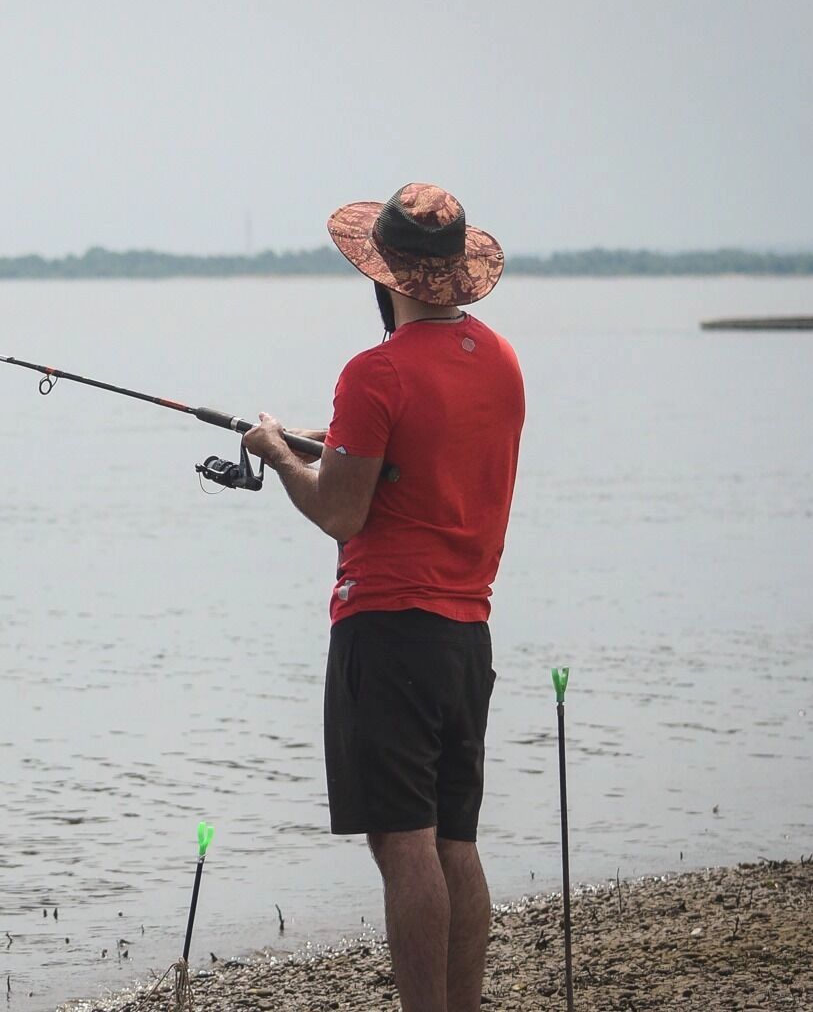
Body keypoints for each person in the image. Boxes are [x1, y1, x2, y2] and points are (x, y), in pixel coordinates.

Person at [243, 184, 524, 1012]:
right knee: (455, 840)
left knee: (403, 843)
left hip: (389, 628)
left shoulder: (376, 371)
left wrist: (277, 452)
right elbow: (421, 459)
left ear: (383, 274)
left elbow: (339, 508)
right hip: (468, 633)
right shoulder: (502, 361)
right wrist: (328, 445)